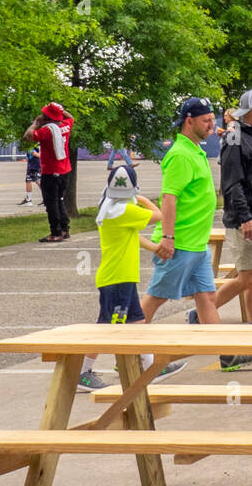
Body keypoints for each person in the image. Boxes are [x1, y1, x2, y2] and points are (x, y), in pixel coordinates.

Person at [80, 166, 186, 392]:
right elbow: (160, 215)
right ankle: (81, 370)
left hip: (121, 277)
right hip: (117, 278)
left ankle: (150, 366)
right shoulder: (124, 210)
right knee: (107, 327)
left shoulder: (111, 207)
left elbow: (133, 236)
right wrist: (142, 198)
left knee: (137, 322)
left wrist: (155, 248)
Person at [143, 97, 221, 327]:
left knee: (207, 296)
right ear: (189, 121)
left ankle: (224, 352)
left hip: (197, 244)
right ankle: (126, 355)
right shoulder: (180, 154)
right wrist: (168, 237)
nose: (211, 125)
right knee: (156, 298)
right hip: (180, 242)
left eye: (212, 120)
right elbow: (168, 198)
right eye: (206, 120)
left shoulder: (194, 150)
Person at [217, 88, 252, 329]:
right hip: (247, 218)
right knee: (247, 277)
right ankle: (202, 311)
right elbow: (232, 182)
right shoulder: (234, 137)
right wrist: (245, 217)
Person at [24, 103, 74, 243]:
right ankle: (65, 229)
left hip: (50, 171)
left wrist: (35, 123)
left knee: (51, 203)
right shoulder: (65, 126)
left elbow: (27, 136)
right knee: (60, 200)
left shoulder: (46, 131)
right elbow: (71, 117)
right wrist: (60, 110)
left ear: (47, 117)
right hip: (65, 170)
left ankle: (56, 232)